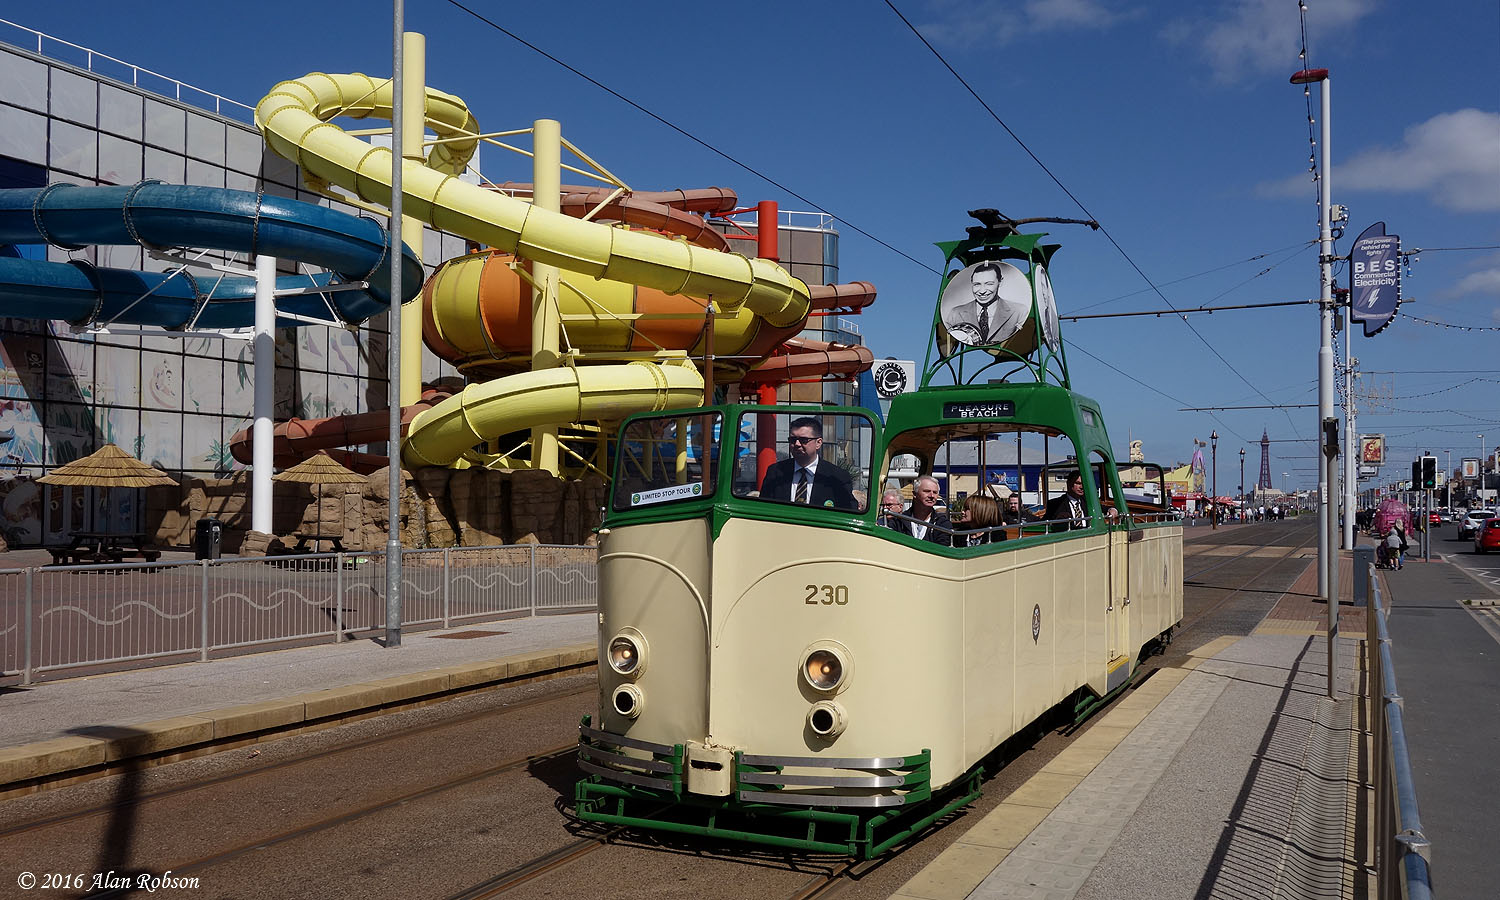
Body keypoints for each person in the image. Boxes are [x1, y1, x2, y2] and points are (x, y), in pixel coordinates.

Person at [759, 417, 858, 510]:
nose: (797, 444)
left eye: (803, 440)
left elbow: (849, 513)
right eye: (793, 440)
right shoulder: (775, 472)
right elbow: (763, 509)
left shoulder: (836, 477)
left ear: (818, 443)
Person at [943, 262, 1029, 345]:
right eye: (977, 284)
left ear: (1000, 282)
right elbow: (946, 343)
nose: (982, 291)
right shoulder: (955, 314)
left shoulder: (1019, 312)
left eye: (989, 284)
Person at [890, 475, 952, 545]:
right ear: (914, 494)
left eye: (935, 492)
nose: (931, 496)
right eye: (927, 491)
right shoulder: (898, 522)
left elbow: (942, 549)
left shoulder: (942, 524)